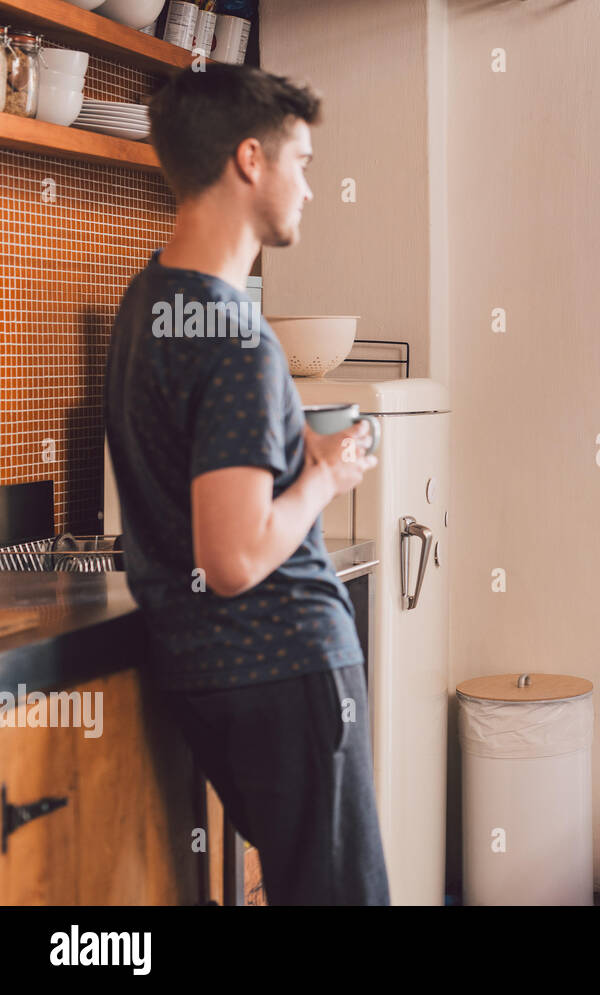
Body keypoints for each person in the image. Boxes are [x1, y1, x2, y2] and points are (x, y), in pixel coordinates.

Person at [103, 64, 388, 904]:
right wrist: (328, 476)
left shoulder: (149, 303)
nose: (311, 186)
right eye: (301, 160)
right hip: (286, 664)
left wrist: (285, 443)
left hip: (213, 672)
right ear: (251, 159)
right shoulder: (236, 337)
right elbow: (228, 558)